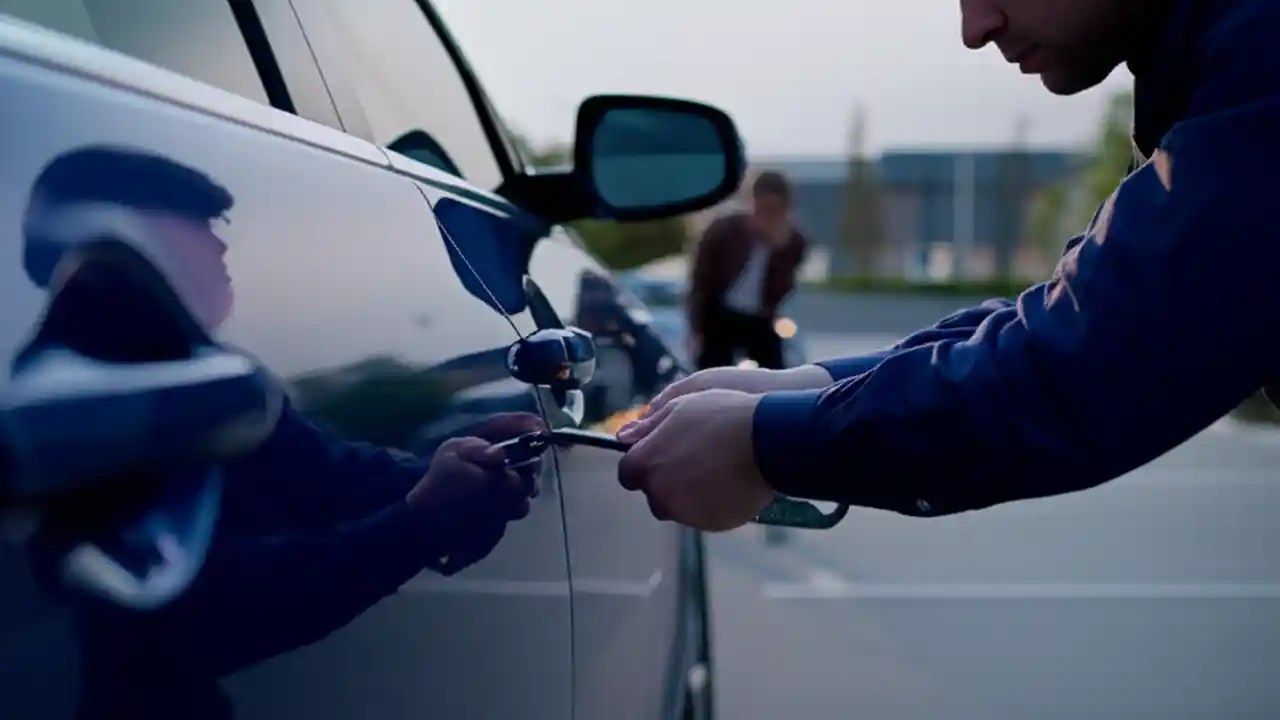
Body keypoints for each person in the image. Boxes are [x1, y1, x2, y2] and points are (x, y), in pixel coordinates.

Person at [616, 0, 1280, 532]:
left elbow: (1091, 362)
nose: (974, 27)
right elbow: (1078, 312)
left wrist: (767, 442)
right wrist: (805, 391)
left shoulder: (1260, 56)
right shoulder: (1222, 58)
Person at [18, 145, 544, 718]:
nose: (221, 245)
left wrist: (455, 464)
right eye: (197, 220)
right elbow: (215, 608)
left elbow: (323, 476)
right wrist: (417, 522)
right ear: (121, 236)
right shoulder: (97, 404)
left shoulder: (193, 369)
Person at [687, 170, 806, 370]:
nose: (766, 217)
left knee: (774, 372)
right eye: (762, 208)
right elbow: (701, 282)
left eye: (774, 210)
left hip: (759, 318)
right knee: (712, 372)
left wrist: (777, 250)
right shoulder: (724, 230)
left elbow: (781, 291)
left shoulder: (793, 243)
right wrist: (697, 327)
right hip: (719, 315)